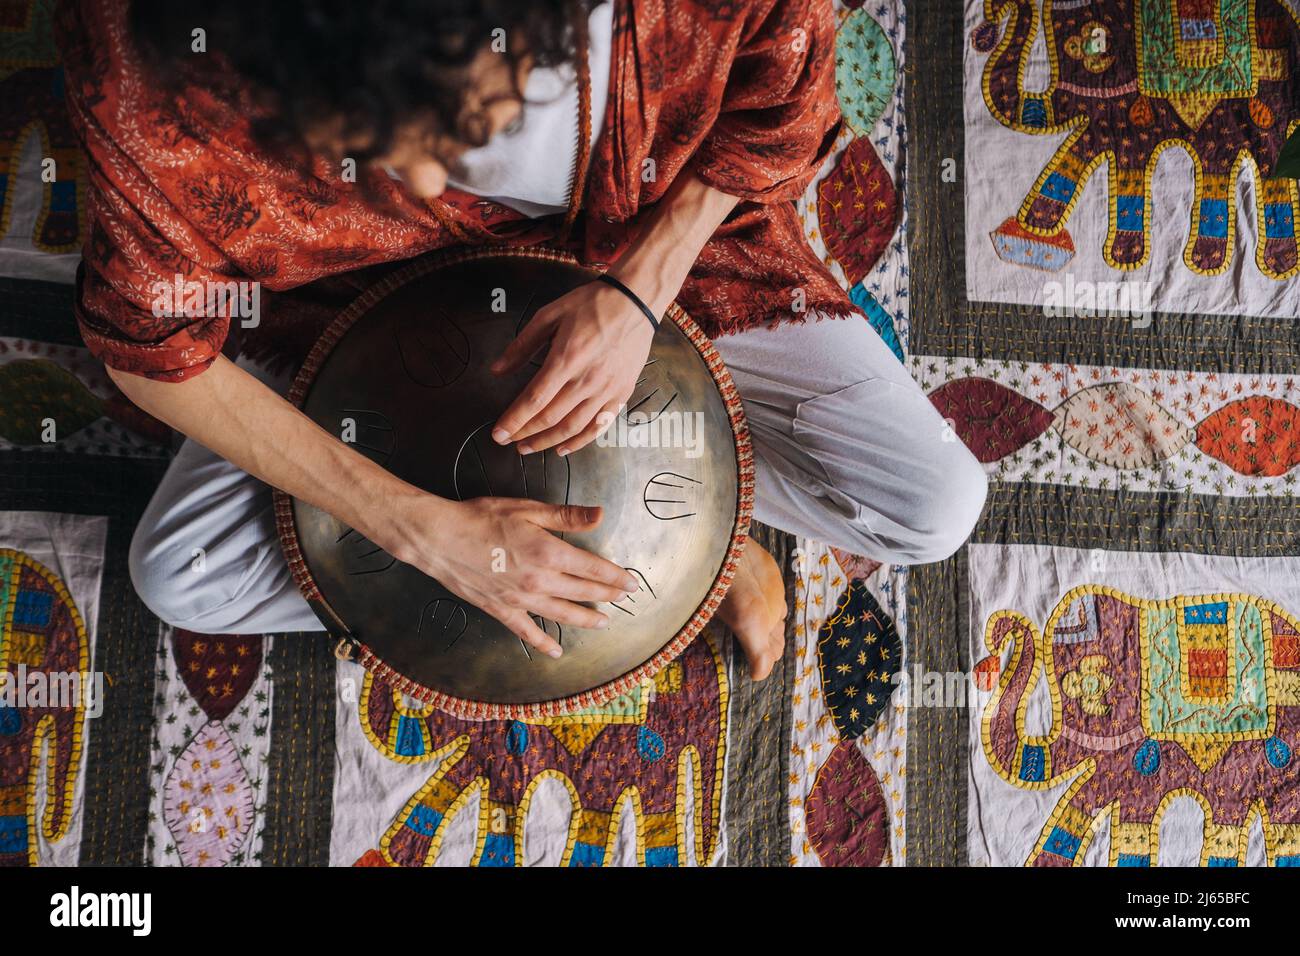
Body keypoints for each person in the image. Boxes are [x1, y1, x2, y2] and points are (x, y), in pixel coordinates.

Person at [56, 0, 987, 682]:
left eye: (459, 121)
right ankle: (651, 512)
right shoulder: (149, 67)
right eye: (370, 136)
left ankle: (710, 511)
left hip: (646, 232)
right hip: (349, 288)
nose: (424, 169)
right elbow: (149, 347)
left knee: (933, 506)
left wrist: (637, 291)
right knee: (182, 573)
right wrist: (419, 530)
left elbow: (779, 104)